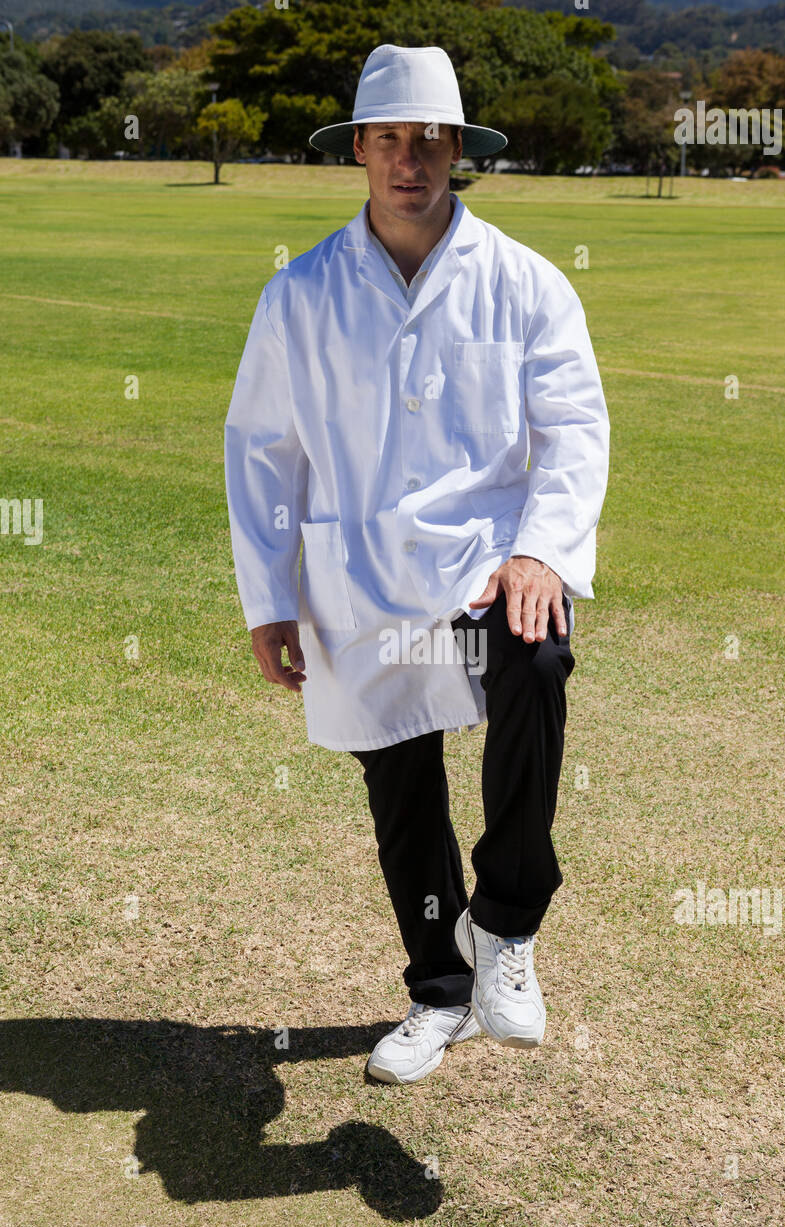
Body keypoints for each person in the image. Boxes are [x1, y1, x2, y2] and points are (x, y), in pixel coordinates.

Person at [224, 44, 610, 1085]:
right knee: (401, 785)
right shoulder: (299, 294)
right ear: (357, 147)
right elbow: (262, 448)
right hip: (353, 571)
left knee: (534, 659)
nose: (409, 159)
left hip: (484, 558)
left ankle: (509, 918)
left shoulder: (524, 284)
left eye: (428, 138)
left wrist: (539, 549)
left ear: (457, 151)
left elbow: (572, 427)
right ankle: (439, 991)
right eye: (388, 137)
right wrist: (269, 597)